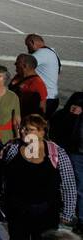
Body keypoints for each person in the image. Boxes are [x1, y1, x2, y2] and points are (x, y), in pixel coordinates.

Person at [0, 114, 79, 240]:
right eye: (23, 128)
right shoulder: (12, 149)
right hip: (17, 209)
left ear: (42, 132)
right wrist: (1, 203)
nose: (24, 131)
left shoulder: (56, 153)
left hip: (46, 211)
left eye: (30, 129)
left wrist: (67, 213)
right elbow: (1, 178)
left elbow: (69, 185)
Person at [49, 90, 83, 225]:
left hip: (77, 154)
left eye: (79, 105)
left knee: (78, 187)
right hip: (66, 153)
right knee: (70, 185)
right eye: (73, 104)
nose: (75, 107)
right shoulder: (61, 116)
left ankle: (79, 217)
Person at [26, 34, 62, 118]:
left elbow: (25, 65)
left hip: (45, 98)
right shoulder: (52, 52)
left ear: (32, 42)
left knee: (34, 125)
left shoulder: (40, 53)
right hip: (53, 97)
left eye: (28, 46)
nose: (28, 50)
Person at [11, 53, 49, 120]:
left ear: (24, 66)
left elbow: (42, 107)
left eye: (17, 63)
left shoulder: (37, 83)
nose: (15, 64)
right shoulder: (18, 77)